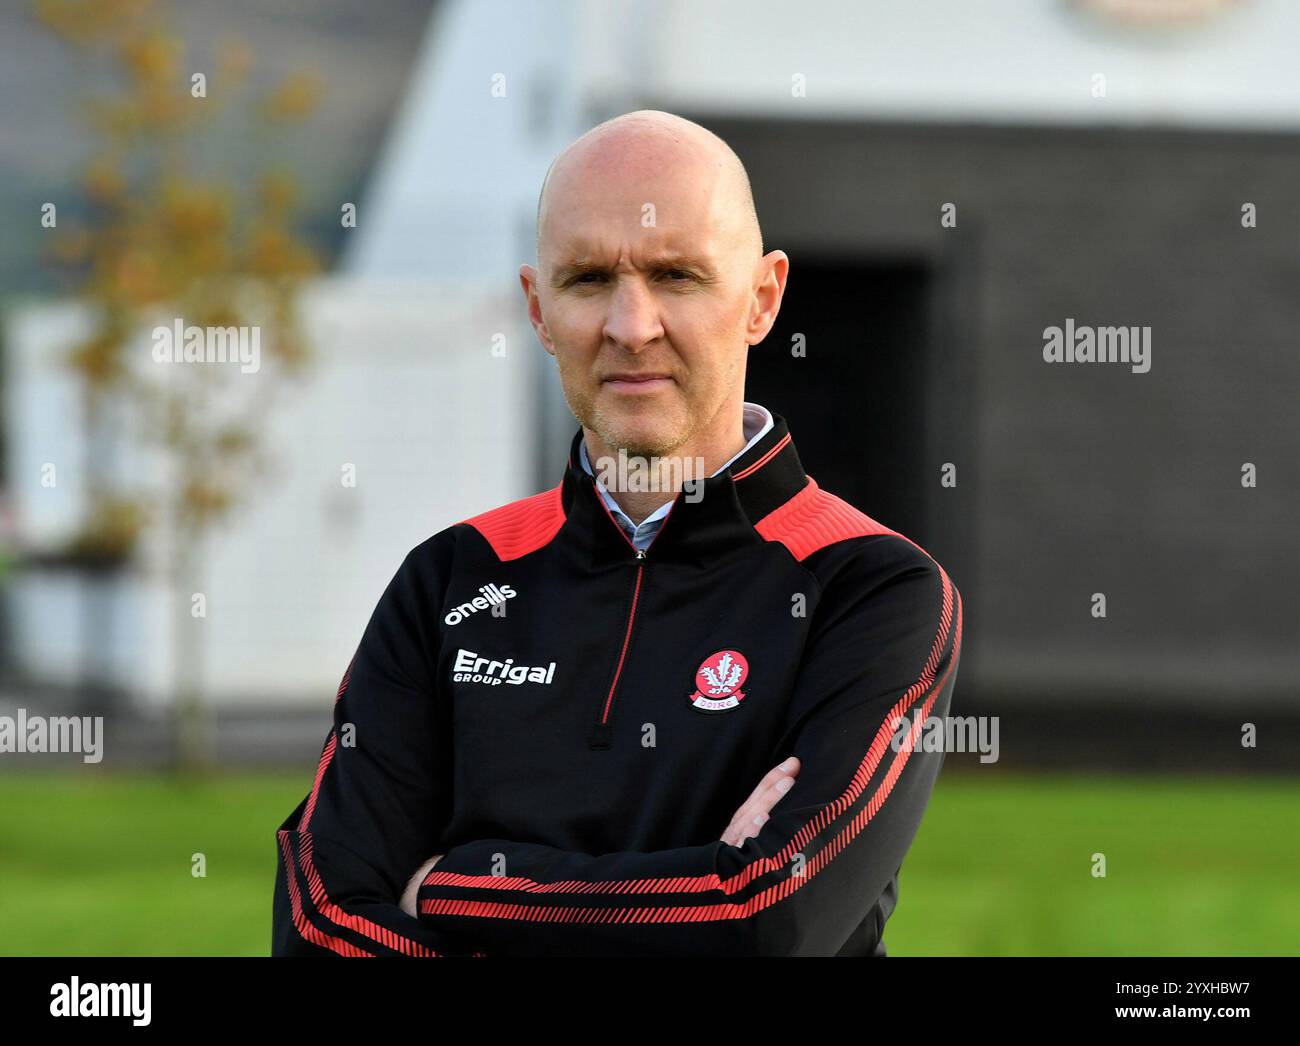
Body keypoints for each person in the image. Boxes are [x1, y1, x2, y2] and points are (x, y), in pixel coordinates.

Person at [272, 110, 962, 957]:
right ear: (537, 307)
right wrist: (694, 888)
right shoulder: (449, 580)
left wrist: (454, 885)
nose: (631, 327)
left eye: (676, 276)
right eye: (590, 279)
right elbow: (318, 926)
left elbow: (767, 924)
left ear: (761, 298)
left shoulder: (871, 589)